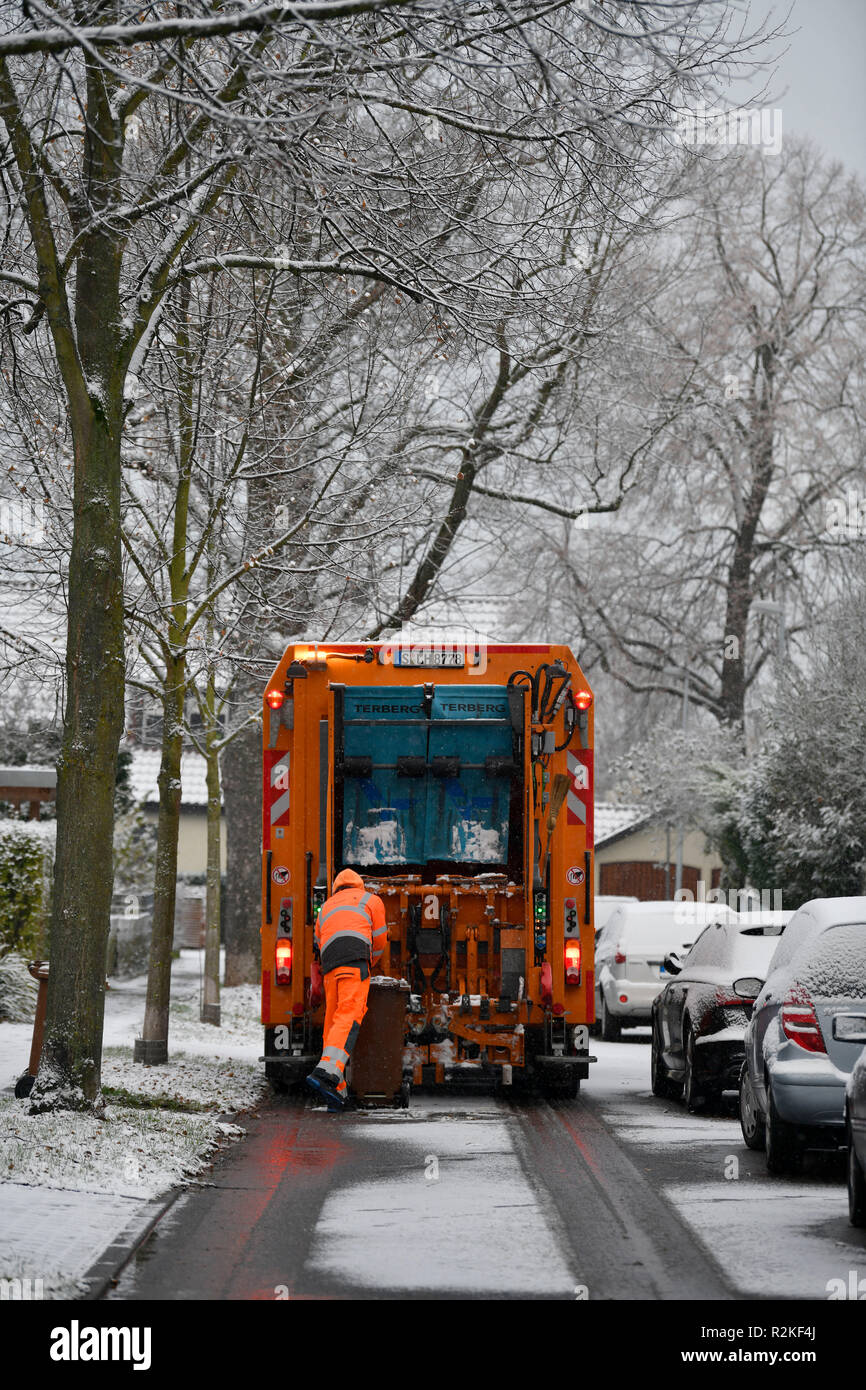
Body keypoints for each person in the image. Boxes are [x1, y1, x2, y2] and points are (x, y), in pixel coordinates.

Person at [306, 868, 387, 1109]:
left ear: (337, 887)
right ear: (359, 885)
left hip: (330, 965)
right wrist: (370, 962)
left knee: (333, 1019)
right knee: (350, 1014)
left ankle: (336, 1091)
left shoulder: (328, 906)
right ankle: (327, 1070)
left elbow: (319, 941)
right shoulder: (370, 900)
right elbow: (380, 938)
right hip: (355, 960)